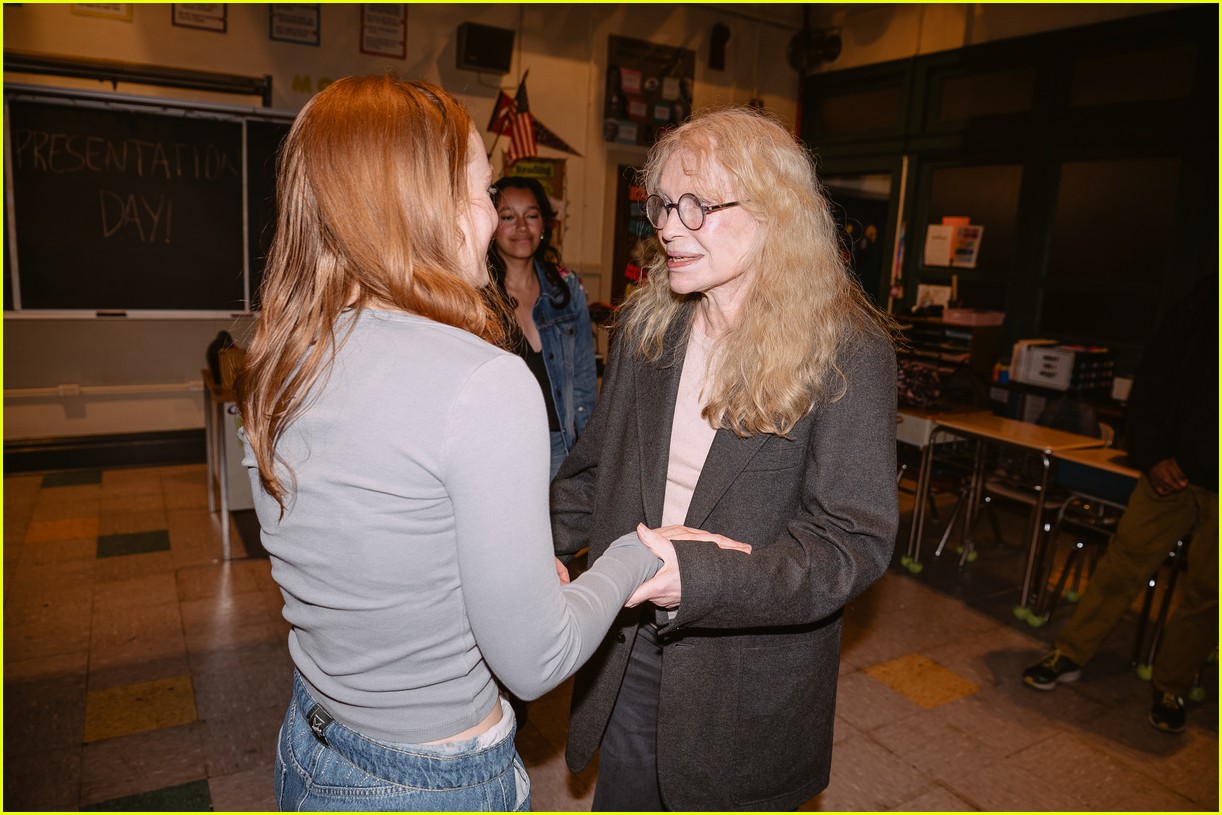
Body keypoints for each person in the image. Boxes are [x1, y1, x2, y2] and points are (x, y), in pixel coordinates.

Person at [236, 75, 671, 812]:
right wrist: (640, 555)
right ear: (423, 208)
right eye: (481, 192)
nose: (491, 218)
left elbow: (375, 566)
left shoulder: (281, 358)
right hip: (425, 782)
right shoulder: (483, 382)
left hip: (312, 741)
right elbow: (536, 659)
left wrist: (515, 588)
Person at [550, 107, 900, 811]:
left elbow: (850, 543)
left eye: (698, 206)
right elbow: (592, 476)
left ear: (775, 211)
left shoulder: (847, 350)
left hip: (742, 678)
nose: (670, 227)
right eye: (663, 205)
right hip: (627, 650)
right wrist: (524, 550)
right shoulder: (650, 329)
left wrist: (700, 577)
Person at [1022, 274, 1218, 734]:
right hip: (1172, 469)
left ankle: (1172, 683)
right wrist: (1151, 454)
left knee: (1209, 591)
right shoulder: (1200, 301)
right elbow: (1155, 378)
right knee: (1122, 564)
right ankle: (1070, 652)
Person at [488, 176, 597, 478]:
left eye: (531, 216)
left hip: (562, 446)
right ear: (490, 225)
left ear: (544, 225)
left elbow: (586, 384)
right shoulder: (478, 298)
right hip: (498, 447)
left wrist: (589, 460)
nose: (521, 227)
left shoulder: (568, 289)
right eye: (508, 217)